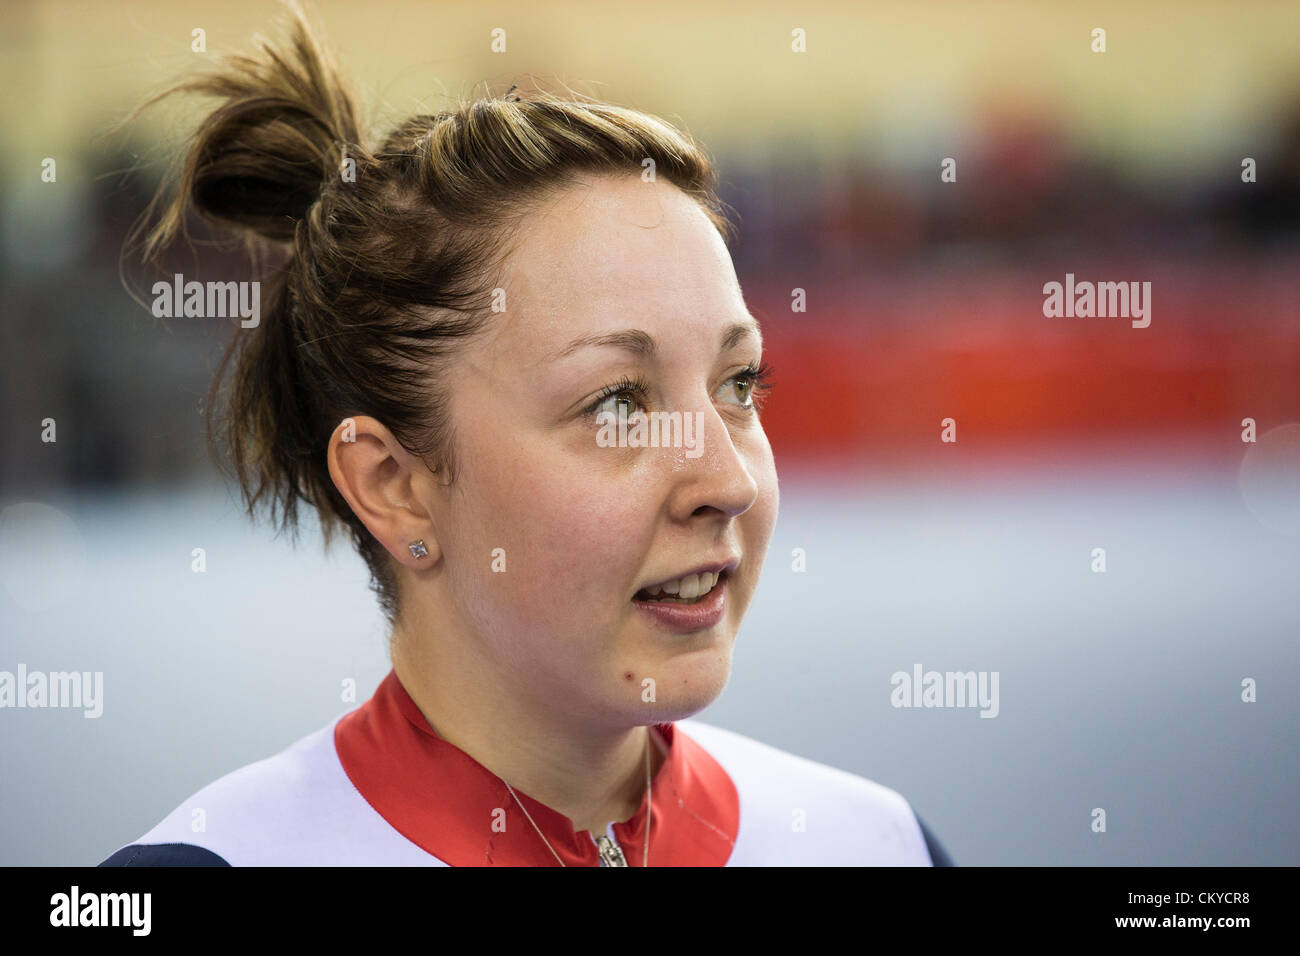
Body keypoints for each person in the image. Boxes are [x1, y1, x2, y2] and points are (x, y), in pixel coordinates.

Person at [100, 0, 953, 867]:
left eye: (739, 384)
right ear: (393, 484)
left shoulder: (880, 844)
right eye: (617, 402)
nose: (727, 482)